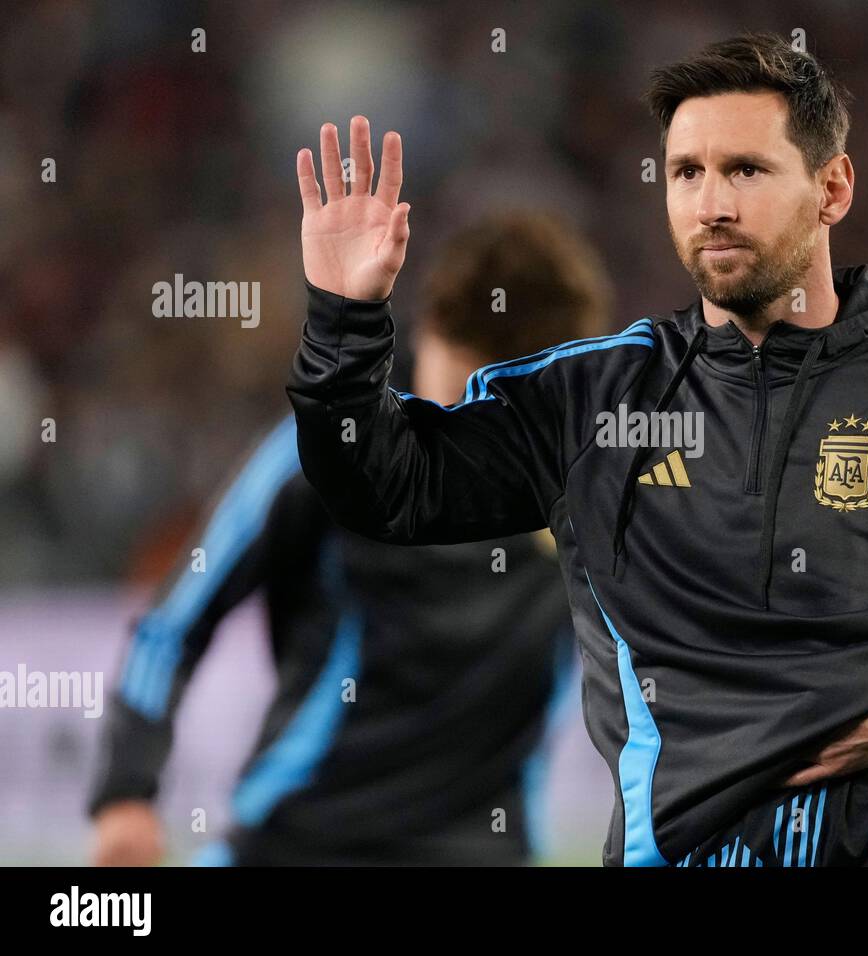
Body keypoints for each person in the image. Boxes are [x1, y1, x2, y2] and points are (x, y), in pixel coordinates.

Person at [286, 32, 868, 867]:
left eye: (746, 171)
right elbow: (387, 486)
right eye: (686, 172)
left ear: (833, 188)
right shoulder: (594, 400)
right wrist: (344, 321)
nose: (712, 204)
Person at [89, 210, 611, 866]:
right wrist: (125, 793)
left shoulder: (601, 482)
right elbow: (174, 623)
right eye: (461, 385)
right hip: (294, 848)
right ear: (426, 331)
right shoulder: (326, 452)